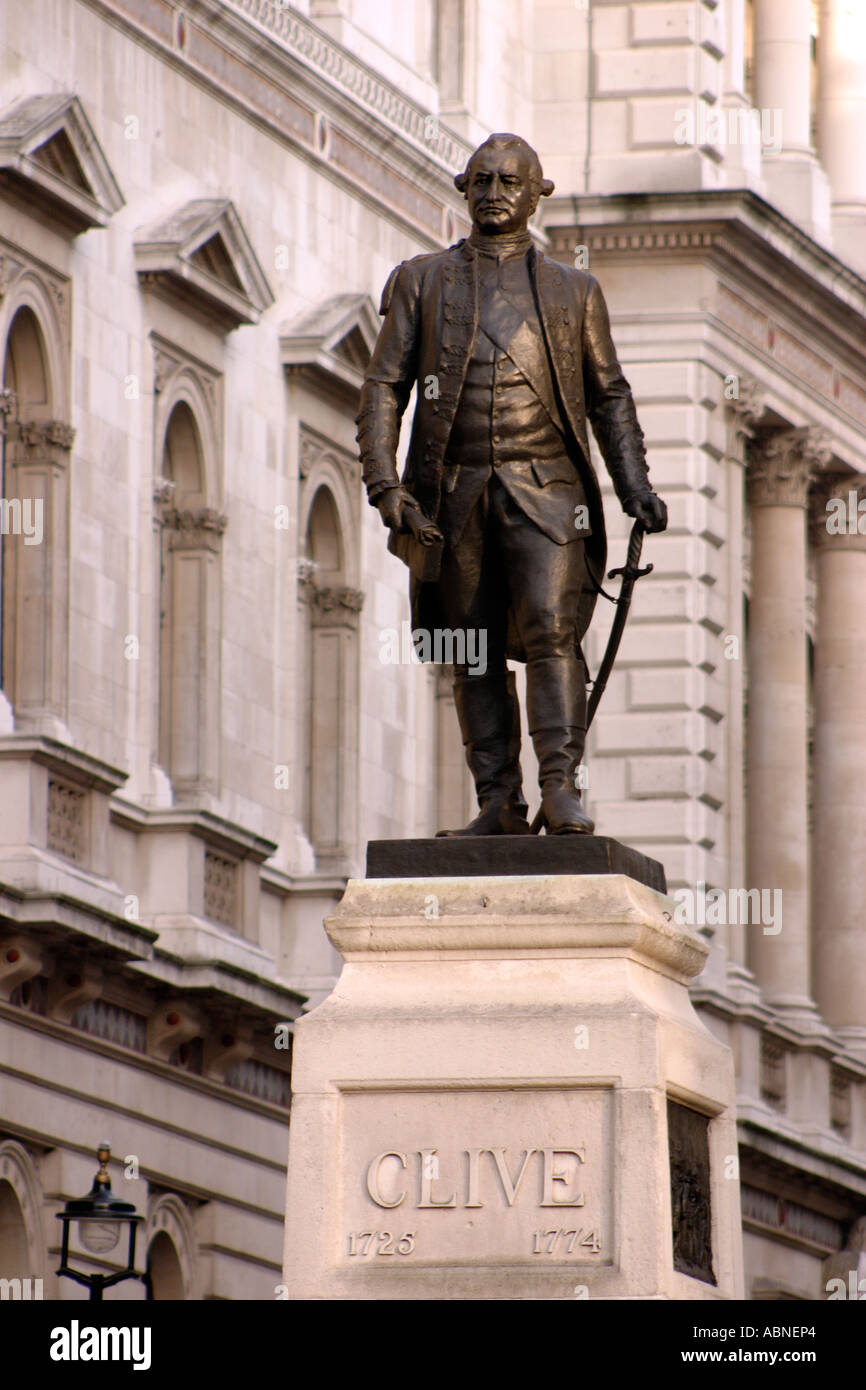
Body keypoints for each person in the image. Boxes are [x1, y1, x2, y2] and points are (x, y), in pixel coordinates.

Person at [356, 133, 667, 835]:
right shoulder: (420, 280)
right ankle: (498, 801)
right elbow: (383, 387)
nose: (495, 193)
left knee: (554, 635)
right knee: (470, 650)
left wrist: (634, 485)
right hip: (452, 493)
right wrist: (384, 484)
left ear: (537, 193)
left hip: (549, 493)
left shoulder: (575, 292)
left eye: (510, 182)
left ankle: (560, 786)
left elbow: (608, 395)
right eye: (483, 180)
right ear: (464, 188)